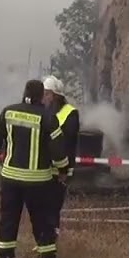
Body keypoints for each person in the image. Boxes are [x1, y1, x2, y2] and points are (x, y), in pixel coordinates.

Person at [0, 79, 69, 258]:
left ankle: (5, 256)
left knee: (9, 217)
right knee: (41, 219)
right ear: (41, 95)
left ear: (25, 93)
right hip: (38, 181)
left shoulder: (8, 111)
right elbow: (58, 150)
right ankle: (47, 257)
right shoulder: (48, 117)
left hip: (10, 178)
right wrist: (62, 169)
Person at [42, 75, 80, 237]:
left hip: (61, 170)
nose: (44, 97)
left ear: (56, 96)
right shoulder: (44, 111)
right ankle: (45, 236)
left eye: (47, 94)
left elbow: (67, 142)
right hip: (45, 167)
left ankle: (52, 237)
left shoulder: (70, 113)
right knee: (43, 206)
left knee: (53, 206)